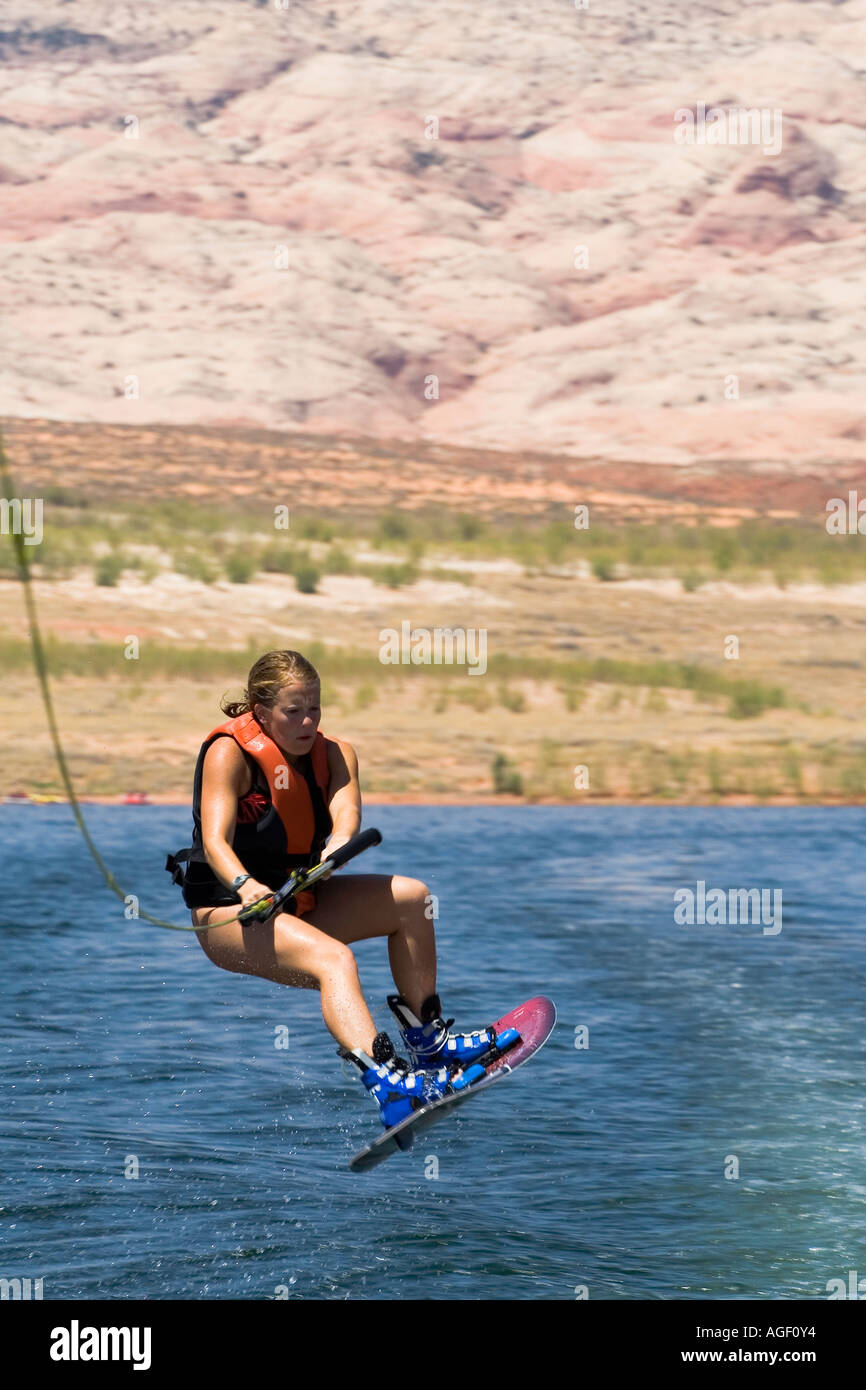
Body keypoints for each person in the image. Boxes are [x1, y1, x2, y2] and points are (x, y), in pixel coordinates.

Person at [166, 649, 515, 1130]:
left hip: (299, 902)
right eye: (294, 711)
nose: (308, 721)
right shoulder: (230, 755)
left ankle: (428, 1048)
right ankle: (390, 1086)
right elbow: (214, 840)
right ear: (259, 710)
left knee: (412, 898)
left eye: (316, 708)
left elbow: (346, 816)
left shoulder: (335, 754)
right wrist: (246, 887)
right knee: (335, 960)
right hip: (229, 916)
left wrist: (336, 850)